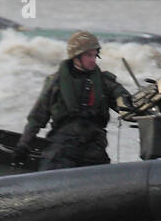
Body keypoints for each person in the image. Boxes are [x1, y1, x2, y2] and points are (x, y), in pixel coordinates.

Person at [13, 30, 133, 170]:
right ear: (76, 56)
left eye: (95, 55)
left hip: (94, 148)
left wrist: (127, 103)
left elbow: (124, 101)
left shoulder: (104, 81)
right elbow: (37, 118)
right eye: (88, 55)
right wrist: (24, 145)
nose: (93, 60)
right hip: (62, 147)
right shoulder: (56, 82)